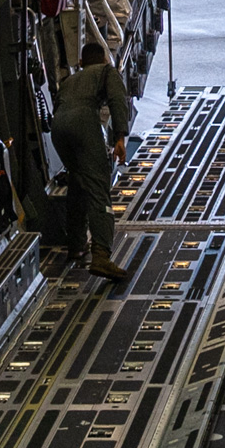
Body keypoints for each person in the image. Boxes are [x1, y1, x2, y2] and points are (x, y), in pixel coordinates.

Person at [52, 41, 130, 281]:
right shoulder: (107, 71)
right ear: (105, 59)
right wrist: (120, 137)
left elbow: (57, 106)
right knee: (98, 187)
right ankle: (101, 256)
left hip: (58, 128)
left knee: (77, 182)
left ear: (81, 63)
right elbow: (118, 99)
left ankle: (76, 245)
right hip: (83, 123)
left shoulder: (69, 80)